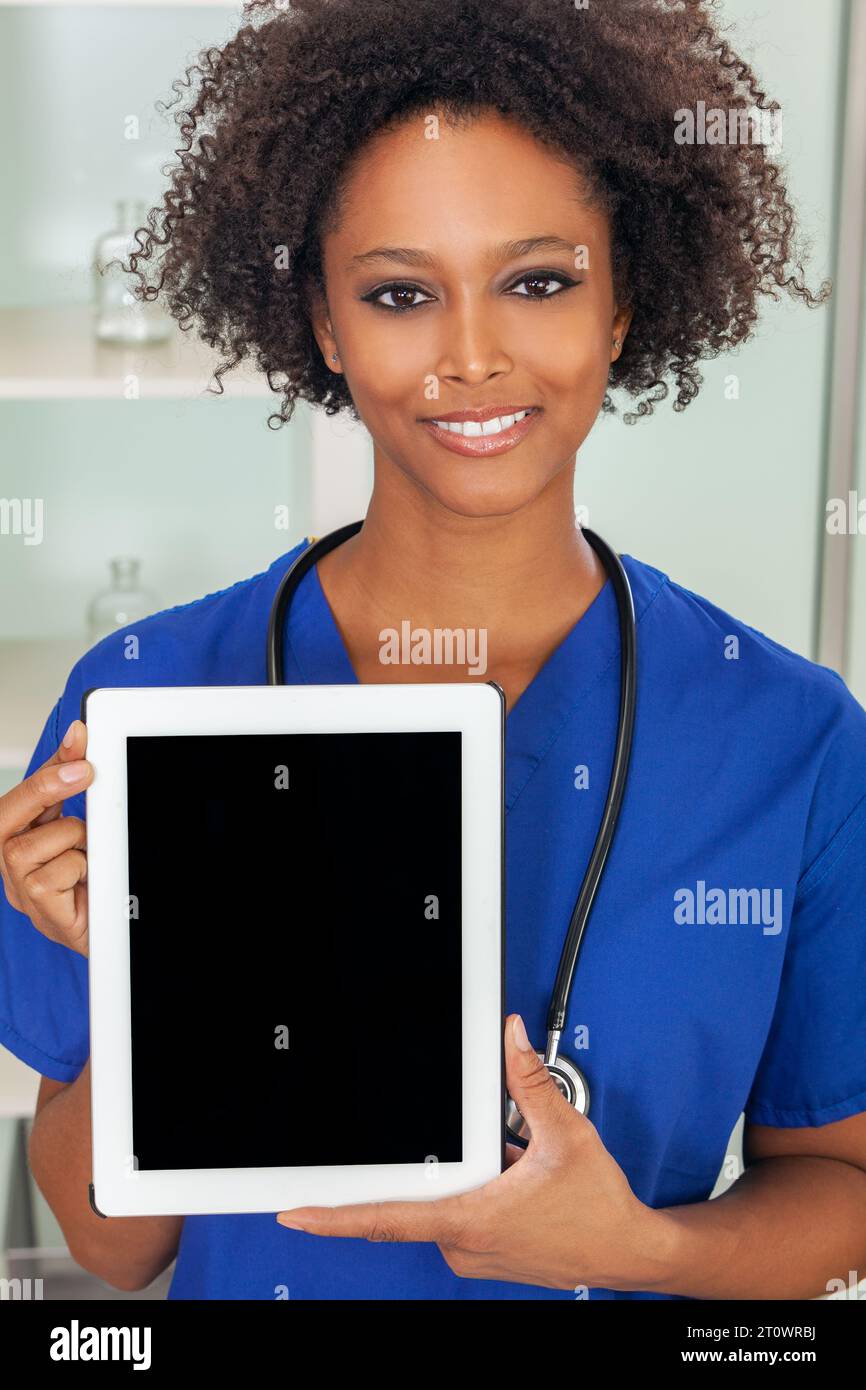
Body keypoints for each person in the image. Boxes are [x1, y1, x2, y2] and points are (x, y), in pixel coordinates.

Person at [1, 0, 865, 1301]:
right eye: (400, 293)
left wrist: (637, 1250)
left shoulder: (789, 739)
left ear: (622, 303)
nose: (470, 356)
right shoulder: (147, 697)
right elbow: (117, 1248)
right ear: (328, 325)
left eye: (537, 281)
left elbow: (843, 1187)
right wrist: (156, 975)